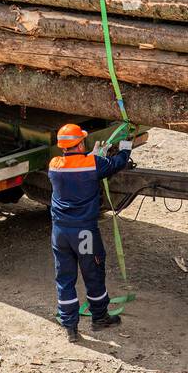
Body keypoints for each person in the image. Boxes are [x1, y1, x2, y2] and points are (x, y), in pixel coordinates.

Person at [47, 123, 132, 341]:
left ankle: (71, 328)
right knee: (92, 273)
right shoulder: (93, 163)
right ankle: (99, 318)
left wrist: (92, 155)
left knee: (64, 277)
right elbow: (116, 163)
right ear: (81, 142)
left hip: (60, 233)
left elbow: (78, 170)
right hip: (83, 233)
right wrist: (126, 146)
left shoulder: (55, 164)